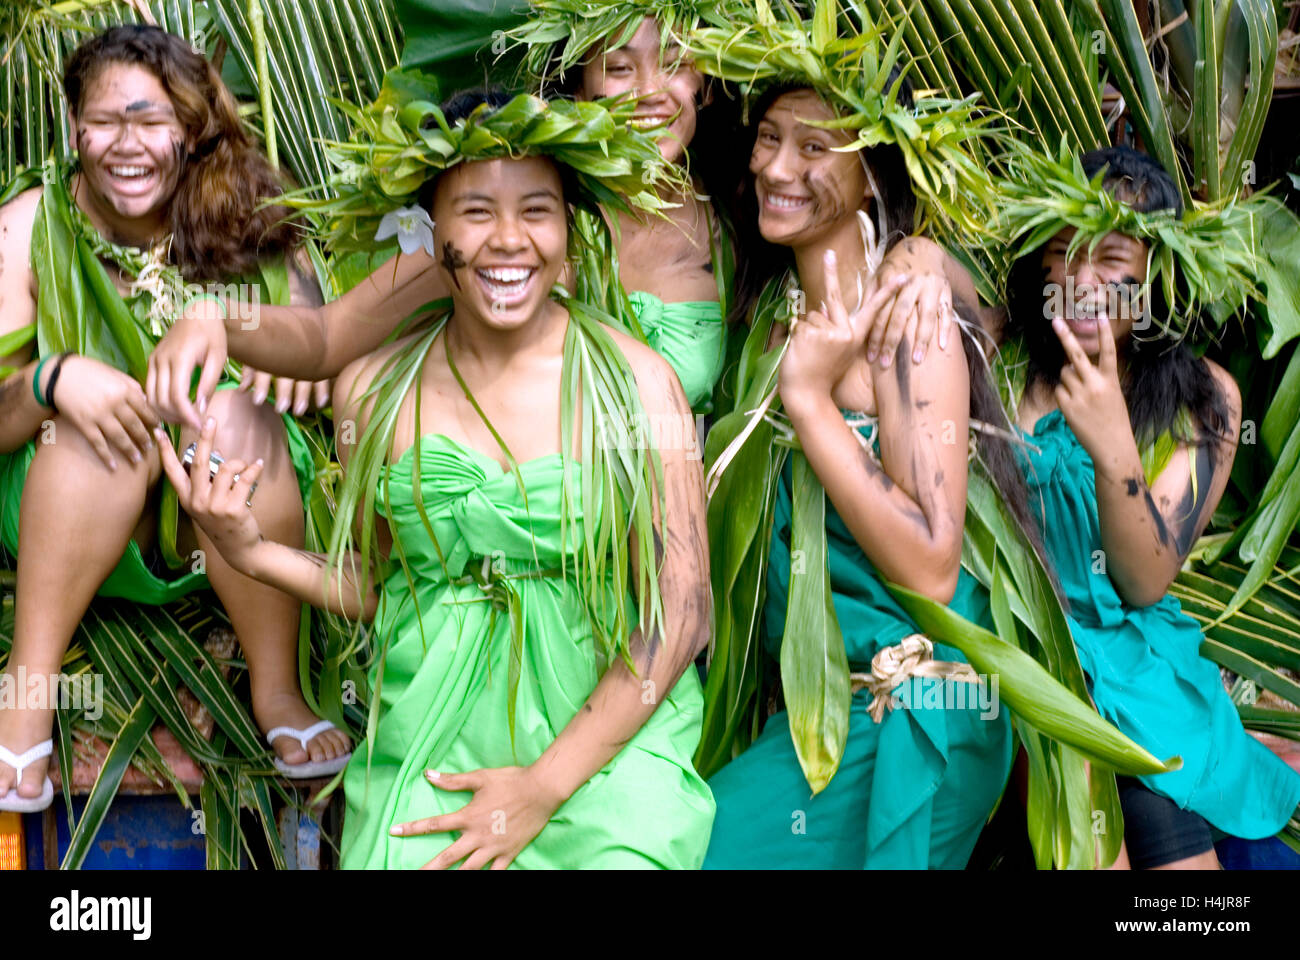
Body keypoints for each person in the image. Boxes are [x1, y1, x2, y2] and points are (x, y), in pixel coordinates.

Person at [163, 89, 716, 869]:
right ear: (430, 235)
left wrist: (541, 789)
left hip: (603, 750)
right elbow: (387, 585)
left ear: (568, 231)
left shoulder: (637, 383)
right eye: (476, 212)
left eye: (537, 210)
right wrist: (252, 552)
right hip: (431, 737)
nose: (509, 241)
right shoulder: (376, 393)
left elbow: (682, 615)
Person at [144, 1, 964, 429]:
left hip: (709, 561)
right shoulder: (522, 227)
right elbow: (327, 341)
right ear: (577, 88)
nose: (652, 92)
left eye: (674, 65)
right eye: (619, 66)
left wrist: (916, 258)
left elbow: (962, 298)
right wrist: (222, 318)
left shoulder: (746, 222)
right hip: (548, 555)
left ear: (706, 81)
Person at [688, 7, 1031, 869]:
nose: (776, 166)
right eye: (769, 139)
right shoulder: (771, 316)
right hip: (819, 717)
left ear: (875, 169)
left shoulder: (907, 327)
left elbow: (931, 560)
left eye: (814, 148)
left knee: (691, 851)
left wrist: (809, 402)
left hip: (910, 717)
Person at [0, 25, 350, 812]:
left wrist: (274, 361)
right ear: (73, 128)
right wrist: (53, 380)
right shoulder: (25, 231)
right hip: (67, 505)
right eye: (107, 121)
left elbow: (326, 360)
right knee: (104, 423)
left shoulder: (242, 215)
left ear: (189, 131)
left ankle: (277, 689)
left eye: (152, 120)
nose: (130, 145)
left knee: (233, 411)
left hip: (220, 519)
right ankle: (26, 693)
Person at [1002, 144, 1300, 869]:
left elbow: (1143, 581)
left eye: (1113, 262)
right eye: (1065, 250)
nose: (1083, 281)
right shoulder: (998, 364)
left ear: (1160, 276)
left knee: (1163, 812)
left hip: (1136, 658)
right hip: (1025, 650)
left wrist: (1112, 446)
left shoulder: (1206, 400)